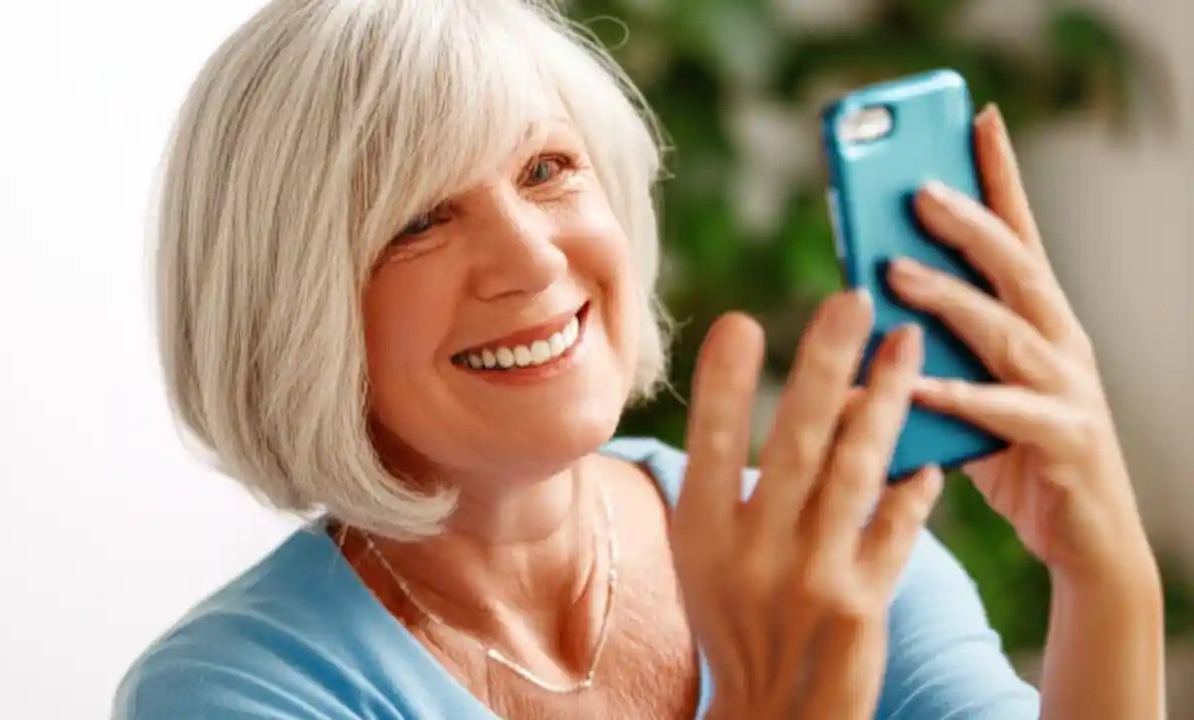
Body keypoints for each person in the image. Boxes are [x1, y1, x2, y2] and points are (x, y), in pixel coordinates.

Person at [112, 0, 1165, 717]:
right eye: (419, 216)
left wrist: (1103, 574)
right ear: (292, 303)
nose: (530, 256)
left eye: (546, 168)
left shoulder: (830, 559)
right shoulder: (233, 691)